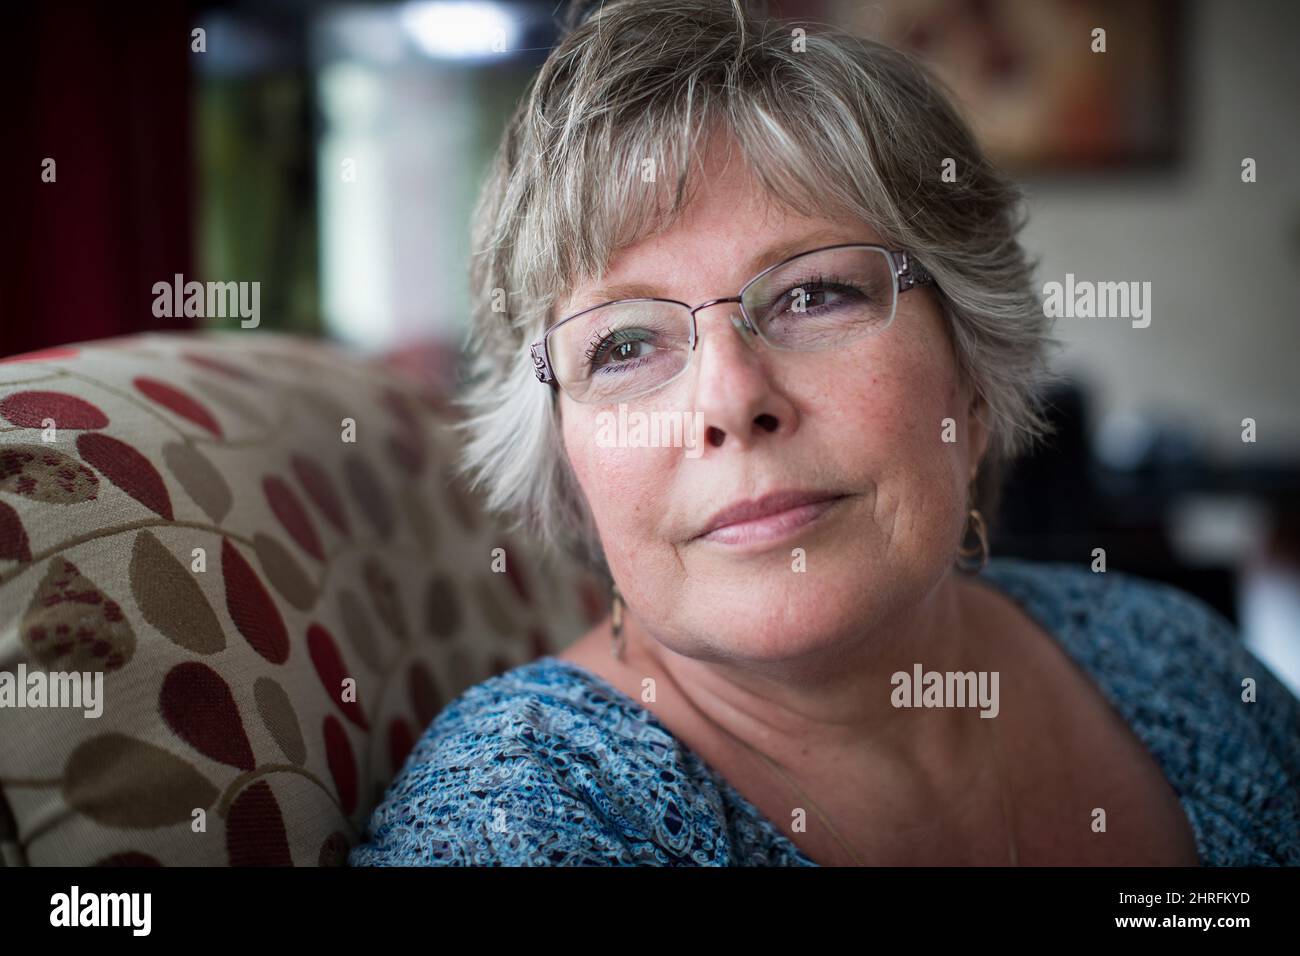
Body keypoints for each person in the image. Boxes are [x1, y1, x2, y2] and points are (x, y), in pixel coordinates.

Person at [349, 0, 1300, 866]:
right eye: (626, 344)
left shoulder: (1176, 659)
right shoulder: (521, 823)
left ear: (971, 371)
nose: (729, 399)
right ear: (564, 455)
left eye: (813, 294)